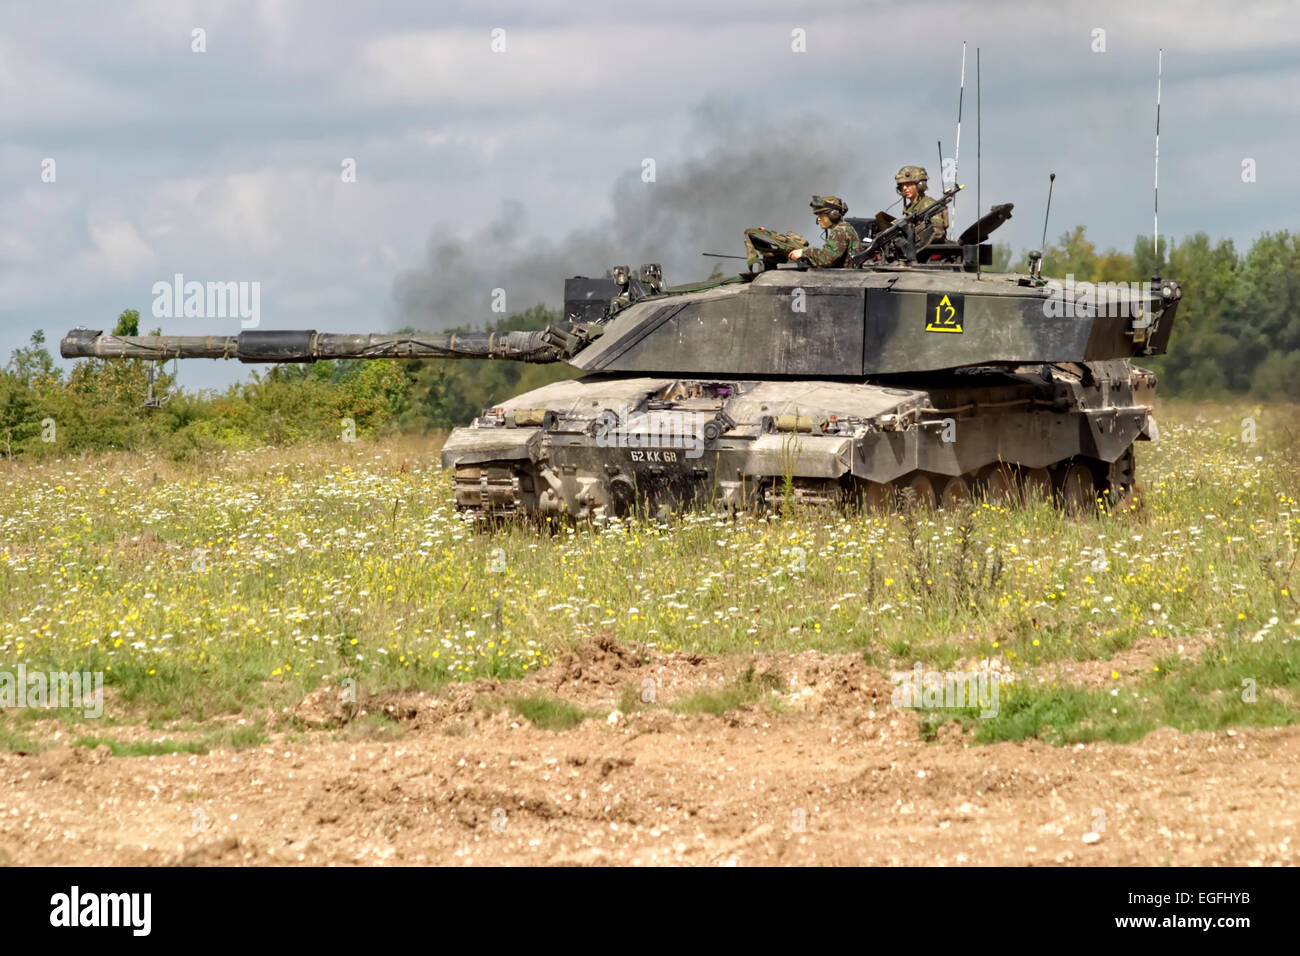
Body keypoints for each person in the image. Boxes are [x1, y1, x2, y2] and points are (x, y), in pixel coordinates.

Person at [788, 196, 861, 268]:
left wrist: (803, 252)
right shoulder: (844, 227)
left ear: (833, 215)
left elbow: (827, 259)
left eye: (821, 215)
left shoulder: (839, 231)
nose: (819, 219)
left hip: (845, 277)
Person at [895, 166, 948, 244]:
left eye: (908, 184)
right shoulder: (910, 208)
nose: (905, 188)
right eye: (902, 185)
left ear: (920, 185)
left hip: (930, 251)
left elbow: (937, 233)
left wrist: (912, 238)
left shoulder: (928, 205)